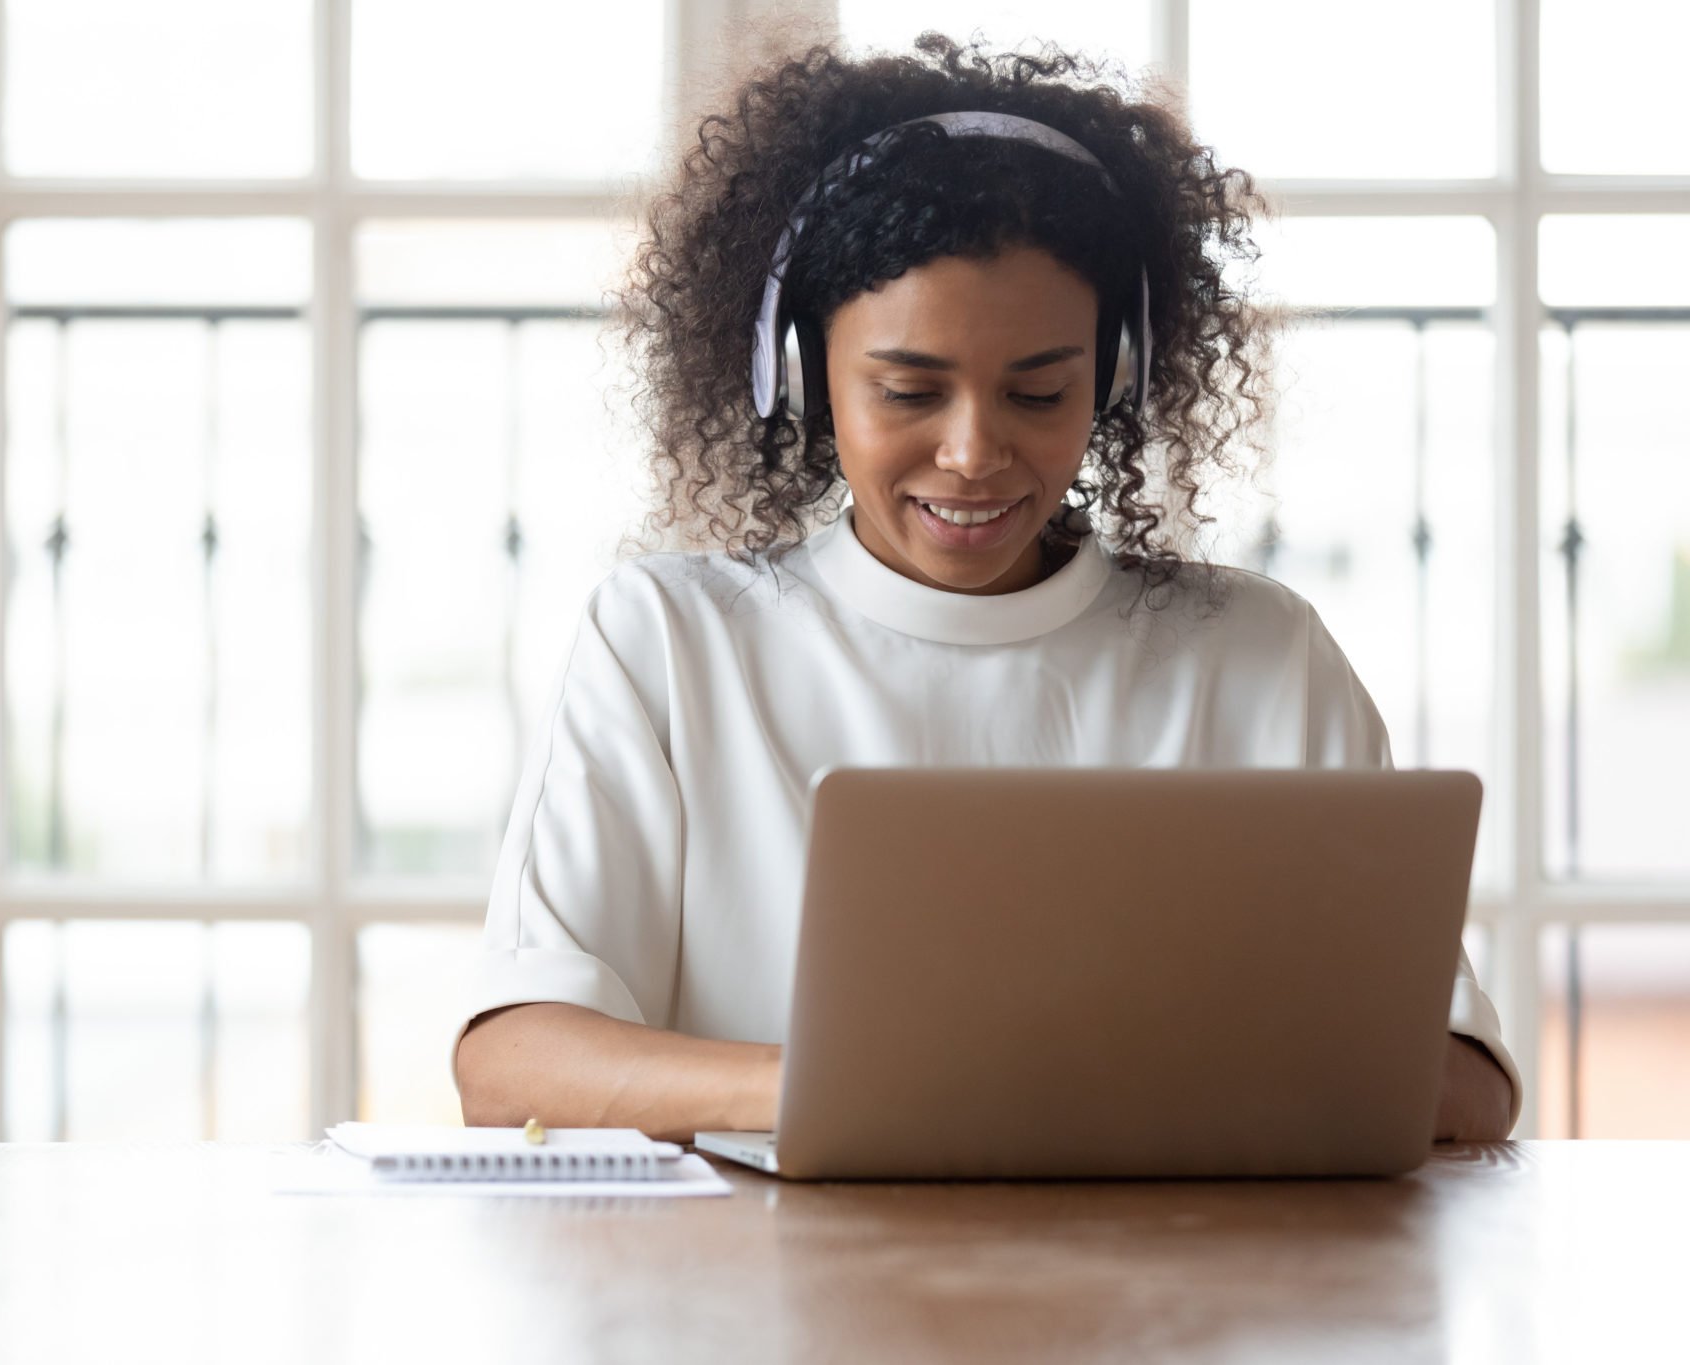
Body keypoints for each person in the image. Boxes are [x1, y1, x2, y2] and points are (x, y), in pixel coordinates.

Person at [451, 37, 1521, 1144]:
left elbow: (1462, 1085)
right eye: (908, 390)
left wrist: (1031, 1089)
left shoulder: (1256, 655)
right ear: (798, 374)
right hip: (757, 1299)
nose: (972, 452)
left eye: (1038, 391)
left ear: (1116, 379)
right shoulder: (669, 640)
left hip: (1175, 1299)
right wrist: (858, 1087)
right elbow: (512, 1066)